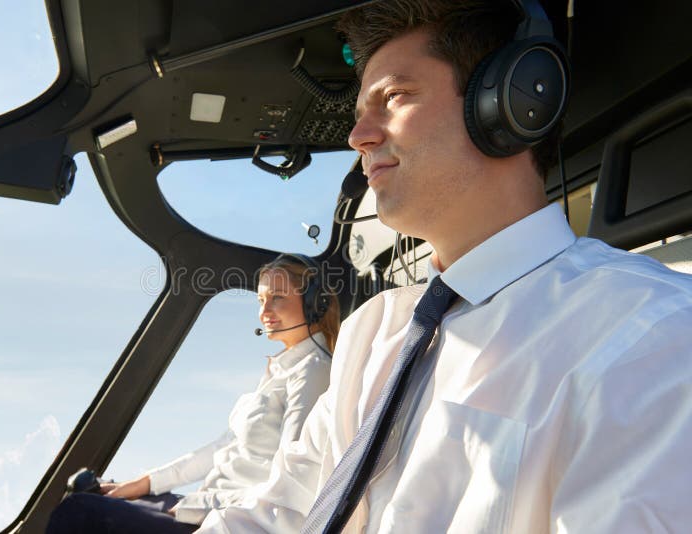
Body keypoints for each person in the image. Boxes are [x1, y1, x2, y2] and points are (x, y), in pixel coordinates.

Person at [196, 1, 692, 533]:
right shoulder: (373, 328)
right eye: (361, 111)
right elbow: (282, 513)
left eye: (394, 97)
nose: (358, 136)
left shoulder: (652, 336)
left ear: (510, 102)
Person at [46, 254, 340, 533]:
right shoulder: (283, 369)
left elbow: (289, 482)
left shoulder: (312, 370)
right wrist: (144, 484)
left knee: (78, 512)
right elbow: (222, 449)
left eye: (277, 298)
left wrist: (192, 506)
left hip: (230, 520)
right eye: (261, 299)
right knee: (106, 493)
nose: (264, 312)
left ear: (315, 303)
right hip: (209, 504)